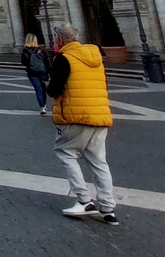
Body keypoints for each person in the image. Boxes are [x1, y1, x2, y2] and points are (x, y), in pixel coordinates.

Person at [45, 24, 117, 225]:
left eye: (55, 38)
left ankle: (84, 200)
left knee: (66, 153)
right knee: (99, 161)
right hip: (99, 114)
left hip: (76, 115)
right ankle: (108, 208)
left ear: (59, 39)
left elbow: (55, 89)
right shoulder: (95, 57)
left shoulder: (64, 58)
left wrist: (48, 86)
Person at [21, 33, 51, 114]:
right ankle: (44, 105)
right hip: (43, 72)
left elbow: (23, 62)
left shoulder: (25, 51)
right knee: (43, 89)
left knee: (38, 89)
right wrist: (49, 73)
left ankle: (42, 107)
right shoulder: (41, 50)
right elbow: (47, 63)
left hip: (32, 73)